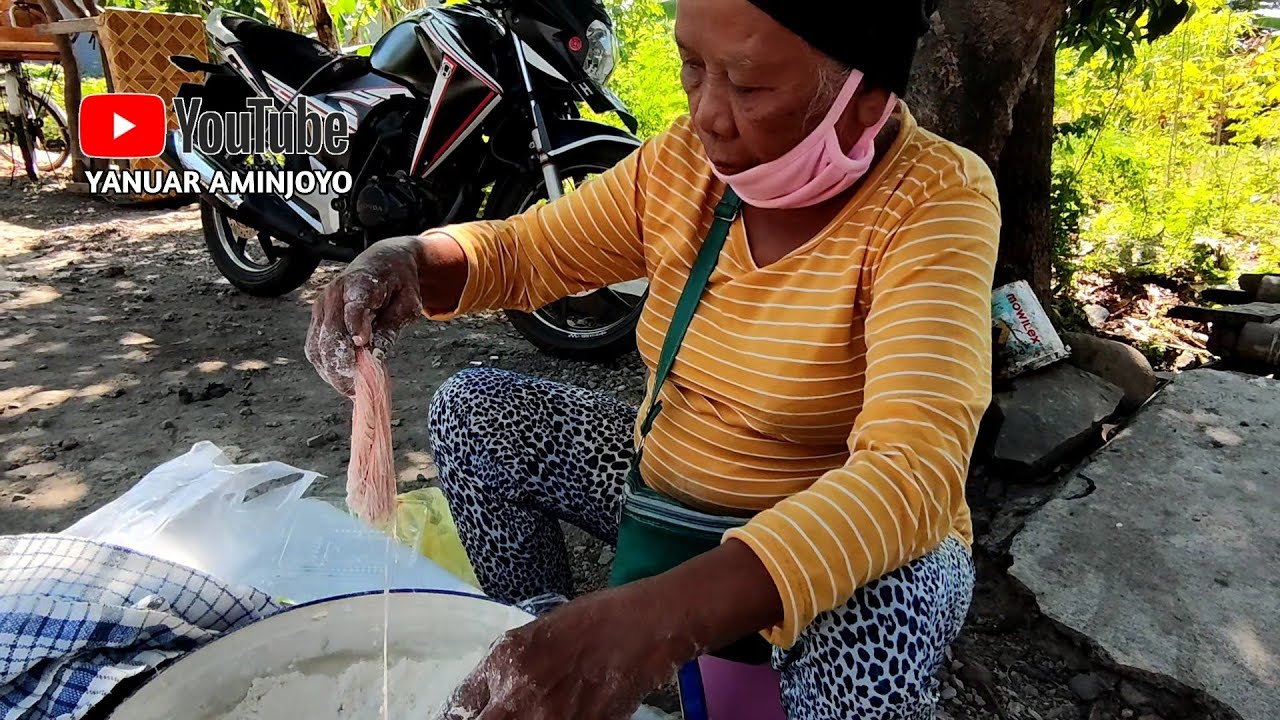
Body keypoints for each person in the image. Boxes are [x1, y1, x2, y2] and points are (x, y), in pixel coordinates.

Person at [305, 0, 1000, 716]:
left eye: (750, 86)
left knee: (877, 604)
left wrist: (646, 625)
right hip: (673, 491)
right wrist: (410, 261)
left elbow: (912, 471)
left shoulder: (935, 200)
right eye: (693, 68)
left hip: (833, 528)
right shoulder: (684, 167)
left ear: (866, 103)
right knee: (476, 412)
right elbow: (526, 252)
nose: (709, 114)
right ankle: (528, 666)